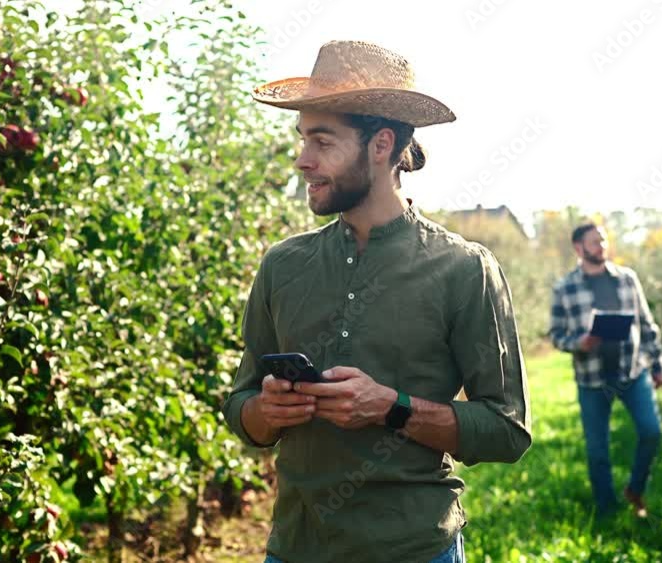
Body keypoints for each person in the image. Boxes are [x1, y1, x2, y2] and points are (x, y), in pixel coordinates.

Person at [220, 40, 532, 563]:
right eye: (302, 140)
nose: (303, 160)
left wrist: (392, 408)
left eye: (322, 142)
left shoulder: (463, 269)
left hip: (414, 549)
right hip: (296, 548)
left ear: (382, 144)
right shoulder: (283, 265)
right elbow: (241, 407)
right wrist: (268, 411)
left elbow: (505, 430)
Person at [548, 223, 662, 517]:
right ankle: (607, 510)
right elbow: (556, 335)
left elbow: (647, 323)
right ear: (579, 248)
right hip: (592, 379)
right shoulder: (564, 288)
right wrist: (580, 343)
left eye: (603, 239)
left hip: (632, 372)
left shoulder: (628, 279)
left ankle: (635, 489)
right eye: (594, 241)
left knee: (652, 432)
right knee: (597, 451)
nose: (601, 245)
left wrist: (658, 363)